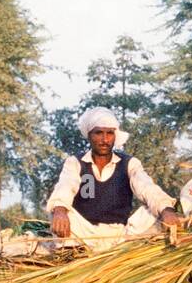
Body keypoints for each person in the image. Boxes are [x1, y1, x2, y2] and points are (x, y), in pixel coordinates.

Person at [45, 107, 181, 253]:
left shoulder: (129, 163)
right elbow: (65, 185)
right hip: (85, 235)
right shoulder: (75, 162)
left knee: (153, 213)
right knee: (59, 212)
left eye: (109, 133)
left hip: (122, 237)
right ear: (89, 135)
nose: (105, 140)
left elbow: (147, 188)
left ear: (115, 136)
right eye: (99, 133)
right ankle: (75, 252)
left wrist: (166, 210)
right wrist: (60, 210)